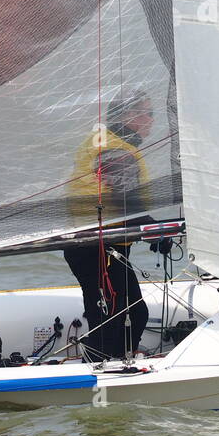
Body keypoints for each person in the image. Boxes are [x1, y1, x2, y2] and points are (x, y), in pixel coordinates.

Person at [64, 89, 154, 362]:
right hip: (96, 248)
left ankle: (118, 361)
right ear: (128, 115)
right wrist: (157, 231)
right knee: (112, 319)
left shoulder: (108, 142)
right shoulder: (115, 149)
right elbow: (126, 201)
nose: (152, 120)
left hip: (104, 246)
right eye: (148, 113)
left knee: (133, 314)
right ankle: (97, 372)